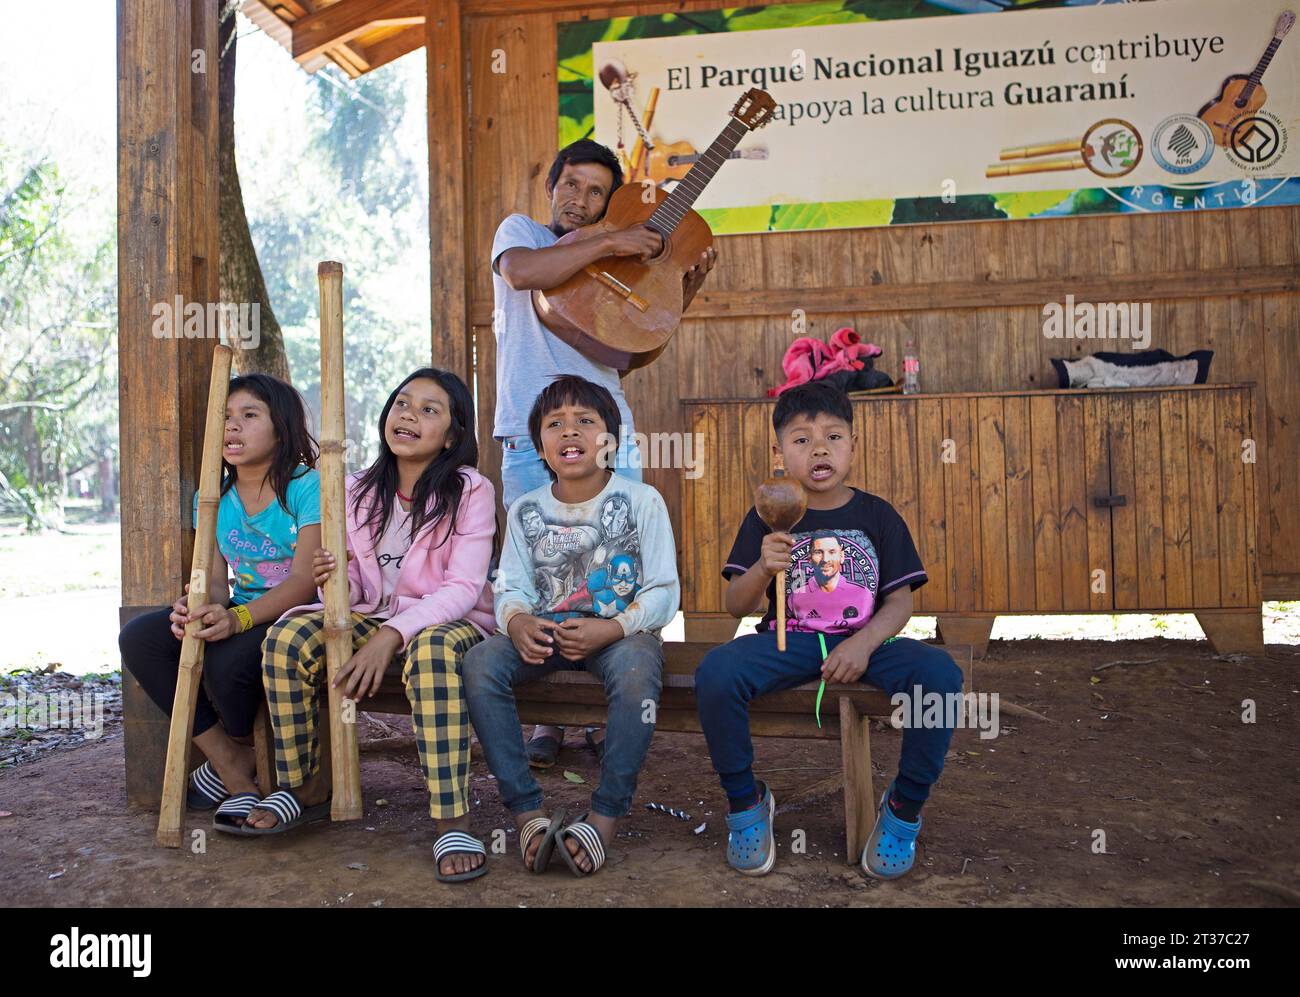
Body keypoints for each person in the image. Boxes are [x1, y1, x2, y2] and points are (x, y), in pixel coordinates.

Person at [490, 139, 715, 766]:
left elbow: (637, 348)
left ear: (608, 201)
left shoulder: (618, 259)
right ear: (551, 186)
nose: (580, 199)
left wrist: (682, 290)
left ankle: (604, 712)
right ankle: (545, 720)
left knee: (614, 577)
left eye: (595, 191)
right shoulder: (524, 234)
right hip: (526, 439)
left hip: (609, 439)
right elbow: (523, 274)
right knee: (541, 580)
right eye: (571, 184)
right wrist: (615, 243)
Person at [694, 381, 962, 878]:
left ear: (853, 447)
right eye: (801, 440)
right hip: (788, 641)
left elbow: (899, 601)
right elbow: (735, 606)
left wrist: (863, 643)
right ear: (779, 454)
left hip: (866, 640)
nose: (819, 448)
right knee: (715, 673)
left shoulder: (877, 515)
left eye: (833, 437)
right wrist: (760, 569)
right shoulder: (766, 516)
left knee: (941, 677)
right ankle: (746, 802)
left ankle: (904, 809)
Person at [246, 369, 496, 885]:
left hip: (452, 621)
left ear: (452, 436)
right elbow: (357, 588)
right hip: (375, 617)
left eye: (430, 410)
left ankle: (451, 817)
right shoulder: (355, 489)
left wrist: (392, 634)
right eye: (402, 403)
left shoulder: (470, 490)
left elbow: (463, 588)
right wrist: (331, 580)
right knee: (287, 638)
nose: (409, 414)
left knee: (428, 653)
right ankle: (301, 787)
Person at [463, 375, 679, 876]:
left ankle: (604, 816)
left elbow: (665, 592)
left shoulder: (642, 501)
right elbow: (511, 586)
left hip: (620, 634)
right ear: (538, 443)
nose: (570, 432)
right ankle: (527, 813)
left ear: (612, 439)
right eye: (555, 423)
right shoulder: (526, 510)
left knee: (636, 677)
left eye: (586, 420)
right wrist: (515, 621)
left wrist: (616, 628)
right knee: (479, 665)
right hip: (545, 633)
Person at [120, 374, 320, 829]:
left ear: (282, 428)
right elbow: (213, 582)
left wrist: (237, 620)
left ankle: (248, 761)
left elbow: (305, 581)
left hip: (296, 617)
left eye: (249, 416)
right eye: (226, 418)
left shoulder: (309, 487)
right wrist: (199, 607)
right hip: (243, 611)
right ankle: (231, 762)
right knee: (142, 639)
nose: (233, 427)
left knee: (227, 662)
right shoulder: (213, 497)